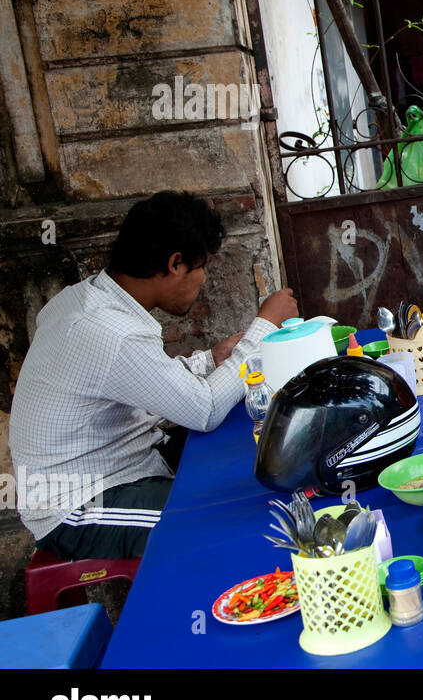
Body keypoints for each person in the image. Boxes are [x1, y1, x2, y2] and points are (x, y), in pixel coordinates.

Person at [9, 191, 298, 559]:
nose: (204, 279)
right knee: (225, 521)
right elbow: (204, 410)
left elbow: (142, 379)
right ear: (176, 262)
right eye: (202, 266)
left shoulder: (86, 300)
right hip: (77, 504)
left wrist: (210, 359)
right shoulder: (110, 331)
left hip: (128, 461)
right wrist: (264, 327)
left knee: (248, 457)